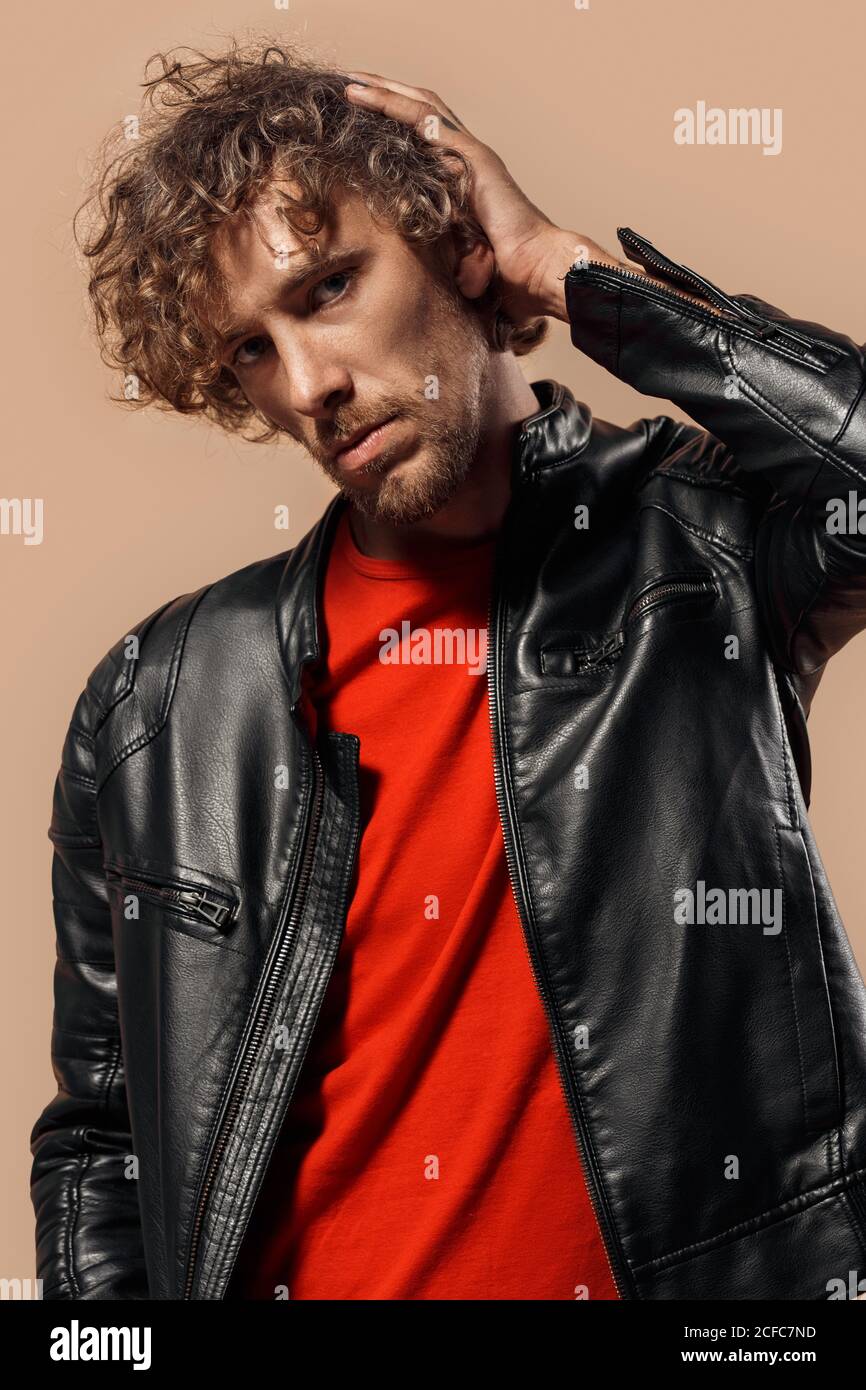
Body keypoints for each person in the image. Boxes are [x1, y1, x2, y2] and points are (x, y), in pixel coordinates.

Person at [30, 40, 866, 1301]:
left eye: (326, 288)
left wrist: (567, 272)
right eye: (251, 350)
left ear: (458, 249)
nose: (308, 386)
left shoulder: (702, 551)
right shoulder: (159, 706)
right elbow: (103, 1146)